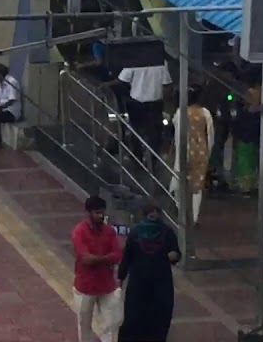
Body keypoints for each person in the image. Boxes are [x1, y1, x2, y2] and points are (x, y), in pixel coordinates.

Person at [117, 203, 180, 342]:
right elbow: (127, 256)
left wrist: (174, 255)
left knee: (159, 315)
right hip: (140, 283)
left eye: (156, 214)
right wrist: (120, 277)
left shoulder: (167, 232)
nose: (154, 217)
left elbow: (176, 252)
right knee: (135, 316)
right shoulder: (135, 233)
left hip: (159, 283)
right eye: (151, 214)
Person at [72, 195, 123, 342]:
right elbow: (86, 259)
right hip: (85, 286)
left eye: (103, 212)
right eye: (97, 213)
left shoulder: (109, 231)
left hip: (107, 285)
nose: (101, 216)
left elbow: (118, 254)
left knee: (113, 321)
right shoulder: (79, 231)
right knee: (84, 324)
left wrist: (98, 260)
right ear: (89, 213)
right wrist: (107, 259)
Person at [168, 86, 214, 228]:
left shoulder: (180, 112)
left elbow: (176, 132)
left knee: (179, 181)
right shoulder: (205, 112)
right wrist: (208, 152)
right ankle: (194, 218)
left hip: (183, 151)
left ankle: (180, 208)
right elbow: (210, 135)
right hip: (201, 151)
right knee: (197, 186)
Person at [118, 60, 173, 164]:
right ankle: (153, 159)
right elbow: (166, 83)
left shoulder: (134, 58)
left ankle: (137, 158)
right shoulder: (161, 61)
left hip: (136, 102)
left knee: (136, 130)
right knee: (155, 133)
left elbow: (122, 79)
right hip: (155, 102)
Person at [231, 84, 261, 195]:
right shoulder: (251, 113)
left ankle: (248, 187)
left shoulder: (251, 113)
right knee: (247, 164)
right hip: (248, 140)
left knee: (248, 164)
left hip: (248, 140)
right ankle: (247, 186)